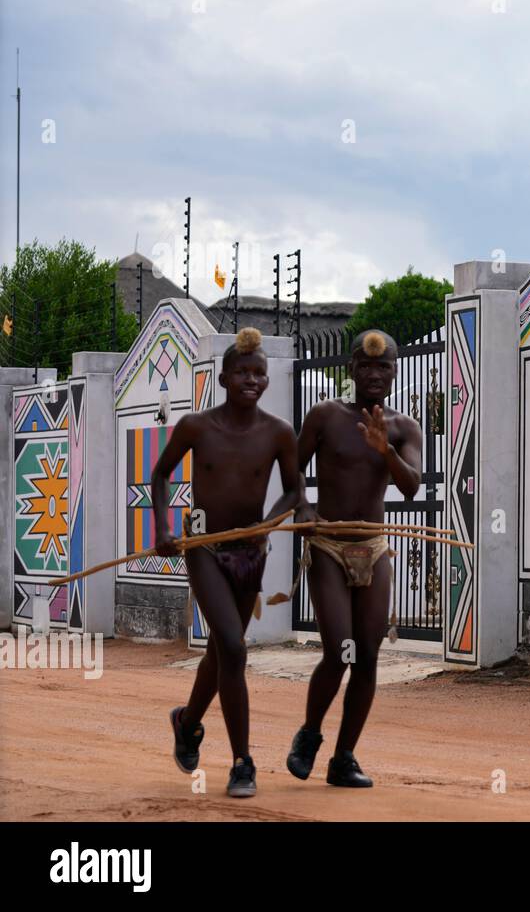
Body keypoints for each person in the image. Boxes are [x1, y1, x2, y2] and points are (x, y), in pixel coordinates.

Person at [155, 328, 300, 798]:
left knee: (222, 651)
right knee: (235, 651)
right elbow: (159, 475)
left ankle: (188, 721)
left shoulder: (278, 432)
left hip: (250, 554)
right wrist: (162, 530)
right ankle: (243, 763)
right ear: (223, 378)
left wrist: (269, 524)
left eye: (259, 373)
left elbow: (296, 491)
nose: (251, 380)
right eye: (242, 372)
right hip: (203, 546)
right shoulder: (197, 426)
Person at [286, 329, 421, 788]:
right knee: (338, 651)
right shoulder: (325, 415)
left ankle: (344, 758)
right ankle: (309, 734)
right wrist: (303, 508)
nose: (375, 374)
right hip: (328, 544)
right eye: (365, 366)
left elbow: (411, 485)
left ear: (394, 371)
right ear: (351, 370)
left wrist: (386, 451)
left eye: (383, 366)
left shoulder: (404, 428)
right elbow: (292, 470)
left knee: (367, 657)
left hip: (375, 548)